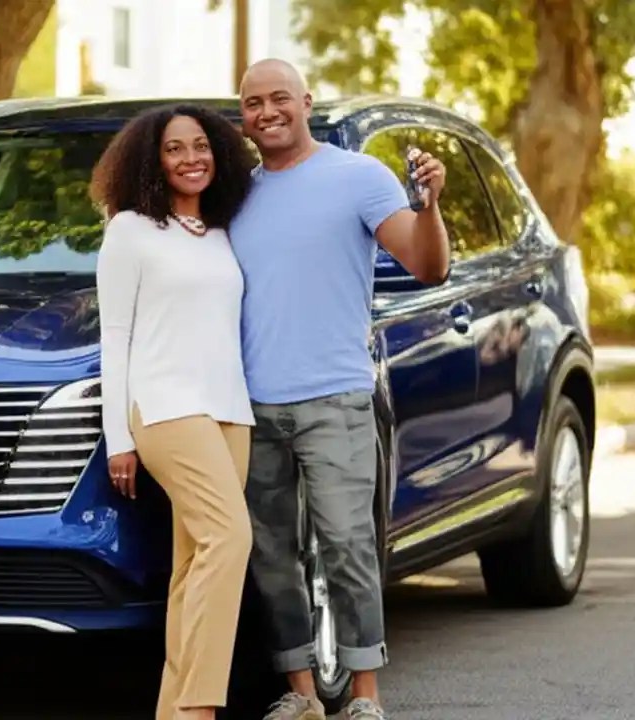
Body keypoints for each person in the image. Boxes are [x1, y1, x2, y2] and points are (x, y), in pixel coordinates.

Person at [229, 59, 451, 720]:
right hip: (254, 404)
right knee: (271, 556)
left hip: (336, 398)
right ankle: (301, 695)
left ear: (305, 101)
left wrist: (429, 207)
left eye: (278, 99)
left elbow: (427, 263)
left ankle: (363, 697)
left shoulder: (358, 176)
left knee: (348, 548)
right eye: (251, 103)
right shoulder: (235, 194)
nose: (266, 112)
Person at [89, 104, 258, 720]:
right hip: (164, 406)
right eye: (174, 149)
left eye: (200, 145)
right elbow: (116, 337)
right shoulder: (130, 230)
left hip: (229, 409)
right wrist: (117, 439)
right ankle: (201, 706)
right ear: (151, 161)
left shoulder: (221, 231)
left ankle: (173, 711)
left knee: (192, 564)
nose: (191, 158)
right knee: (230, 536)